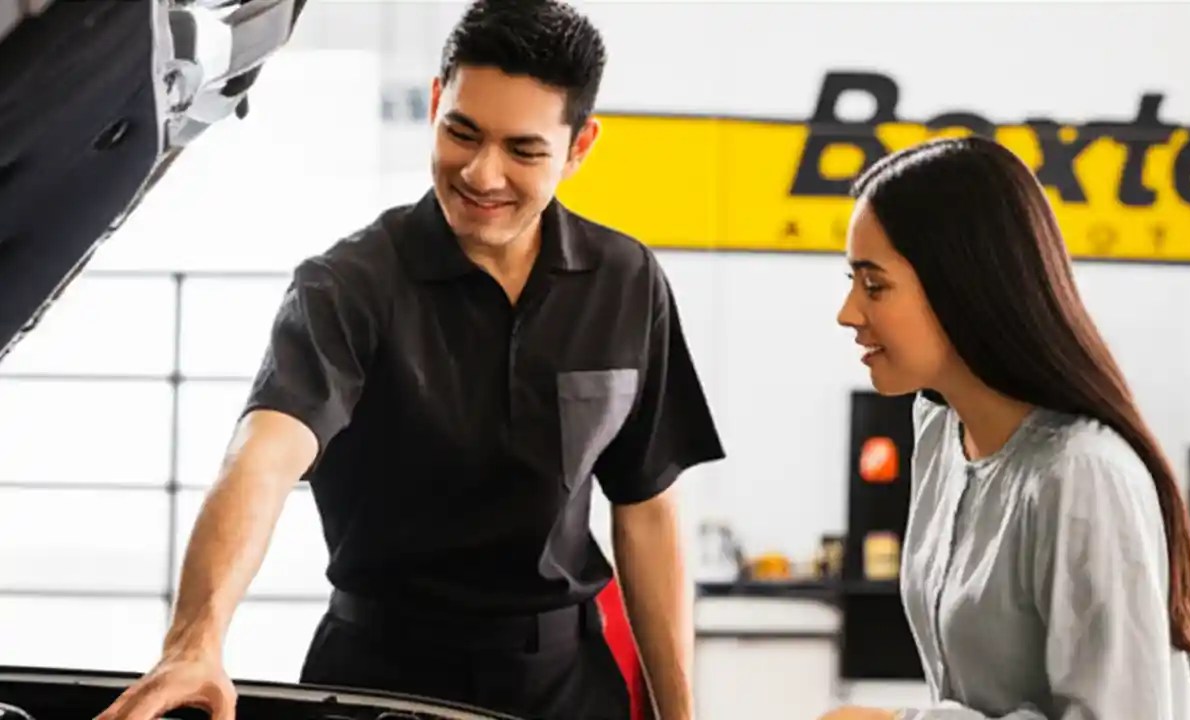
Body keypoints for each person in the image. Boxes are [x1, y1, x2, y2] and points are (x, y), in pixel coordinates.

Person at [95, 2, 724, 719]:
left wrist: (680, 715)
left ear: (579, 146)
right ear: (434, 104)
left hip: (563, 687)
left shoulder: (626, 282)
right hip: (379, 678)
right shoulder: (347, 286)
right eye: (462, 132)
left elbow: (646, 511)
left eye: (523, 151)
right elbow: (261, 459)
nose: (482, 174)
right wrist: (194, 641)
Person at [820, 136, 1190, 720]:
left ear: (962, 285)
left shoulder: (1081, 472)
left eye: (874, 285)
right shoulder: (938, 429)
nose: (848, 312)